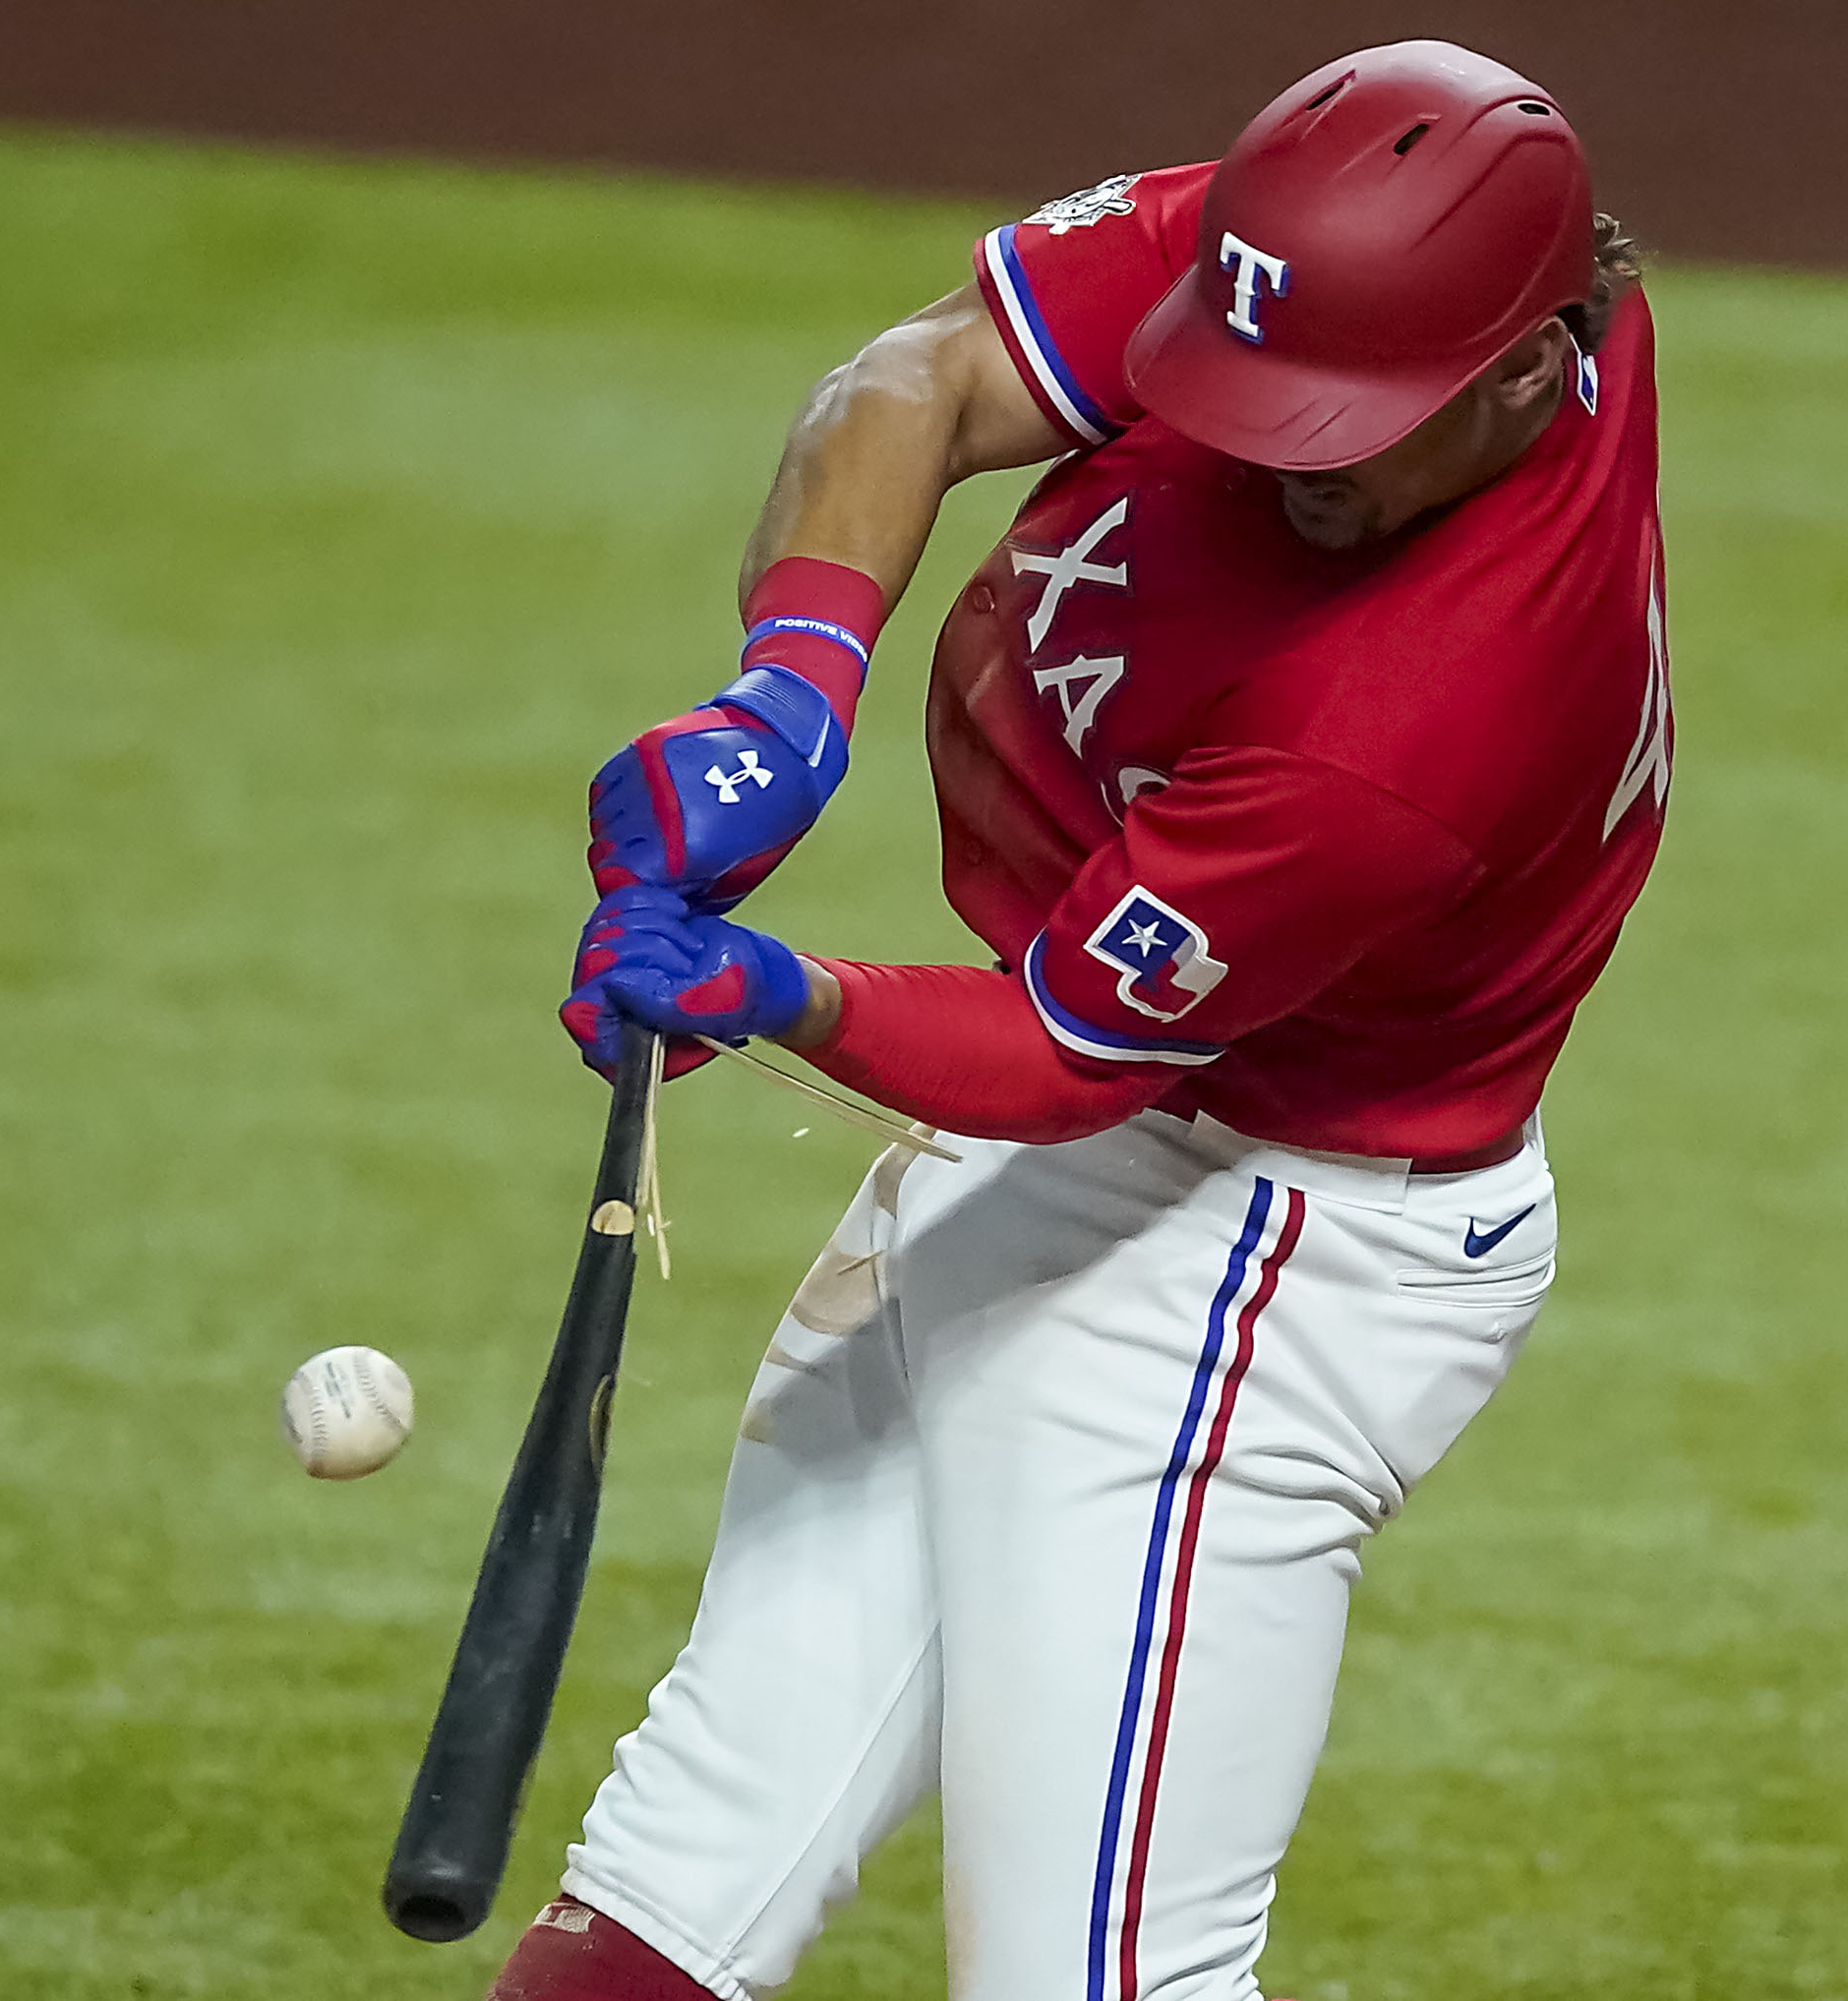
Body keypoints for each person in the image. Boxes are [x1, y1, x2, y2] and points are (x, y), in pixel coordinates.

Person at [498, 37, 1670, 2001]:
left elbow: (1058, 1051)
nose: (1295, 454)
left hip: (1253, 1257)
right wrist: (787, 690)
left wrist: (777, 987)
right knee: (685, 1865)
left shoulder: (1429, 719)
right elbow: (931, 370)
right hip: (1072, 1146)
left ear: (1527, 370)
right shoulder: (1350, 268)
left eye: (1352, 422)